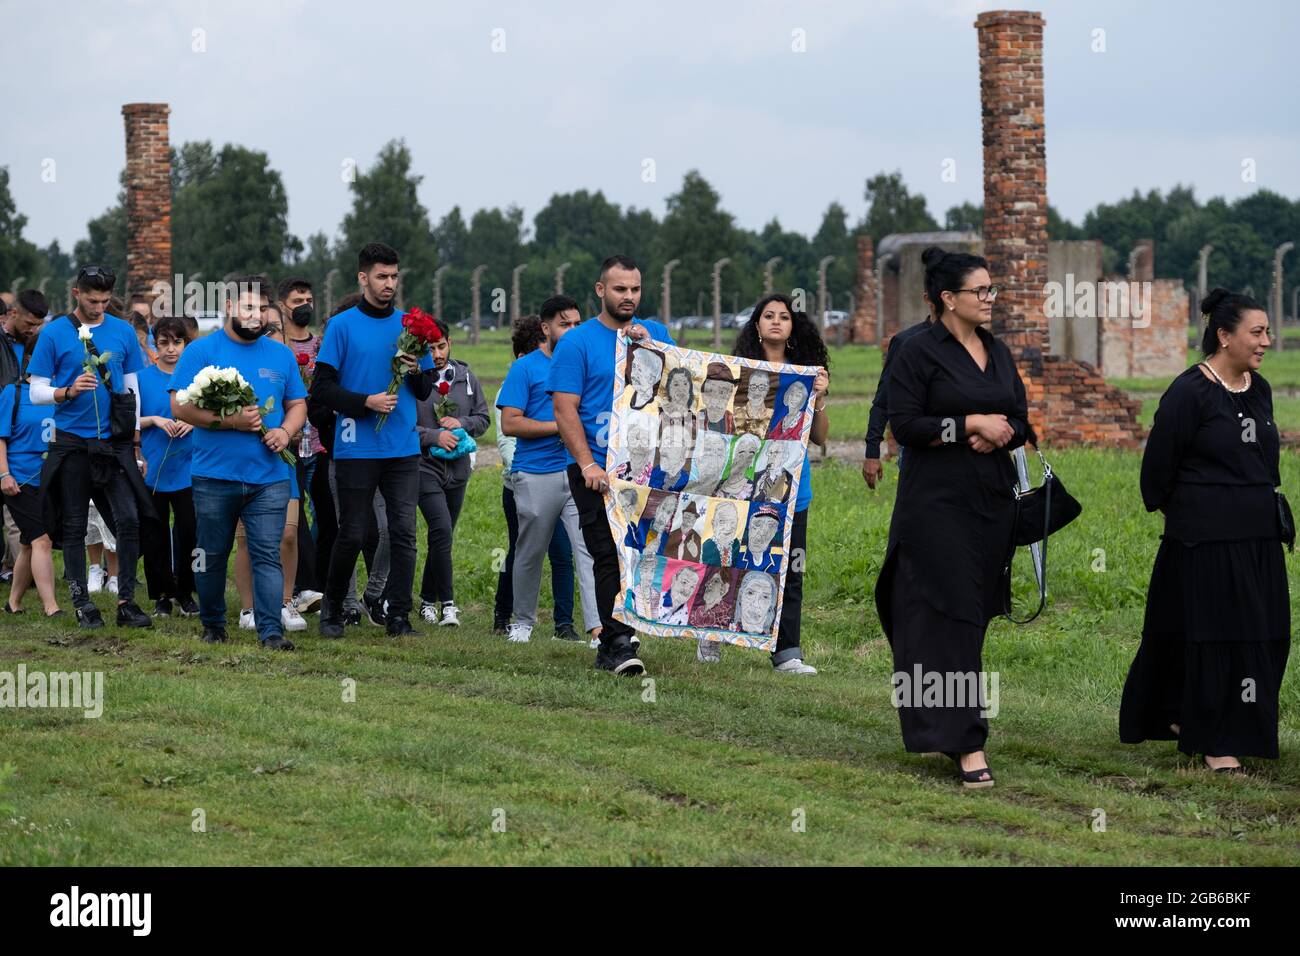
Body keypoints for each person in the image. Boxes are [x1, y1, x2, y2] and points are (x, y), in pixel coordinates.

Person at [873, 247, 1031, 789]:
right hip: (935, 505)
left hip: (991, 501)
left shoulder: (997, 349)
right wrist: (968, 425)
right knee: (948, 615)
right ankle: (967, 741)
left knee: (973, 616)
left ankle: (941, 723)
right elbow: (905, 426)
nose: (990, 299)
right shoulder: (916, 351)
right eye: (980, 291)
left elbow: (1020, 415)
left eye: (991, 290)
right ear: (948, 298)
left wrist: (1001, 429)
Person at [1121, 289, 1290, 773]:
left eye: (1267, 331)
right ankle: (1216, 741)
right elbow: (1156, 475)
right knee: (1219, 639)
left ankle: (1199, 720)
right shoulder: (1188, 392)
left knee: (1267, 634)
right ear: (1224, 335)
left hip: (1258, 538)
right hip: (1206, 542)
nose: (1266, 341)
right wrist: (1197, 516)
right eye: (1256, 332)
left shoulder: (1258, 388)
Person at [548, 254, 675, 675]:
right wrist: (586, 464)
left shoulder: (655, 333)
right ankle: (616, 643)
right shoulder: (576, 342)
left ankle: (621, 631)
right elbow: (565, 408)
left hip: (645, 471)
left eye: (635, 289)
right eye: (620, 289)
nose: (629, 297)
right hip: (596, 471)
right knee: (606, 553)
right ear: (601, 291)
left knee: (639, 554)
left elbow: (680, 390)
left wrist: (650, 349)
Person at [169, 275, 307, 648]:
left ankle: (270, 632)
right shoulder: (201, 352)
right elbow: (179, 406)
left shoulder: (280, 354)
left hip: (270, 477)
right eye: (248, 307)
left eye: (262, 308)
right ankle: (213, 624)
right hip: (214, 477)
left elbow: (297, 403)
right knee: (210, 557)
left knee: (267, 553)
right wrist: (230, 421)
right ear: (229, 306)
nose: (256, 315)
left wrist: (287, 430)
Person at [313, 243, 434, 638]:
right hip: (356, 448)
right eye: (381, 276)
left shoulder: (411, 327)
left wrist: (415, 370)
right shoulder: (342, 326)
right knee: (351, 532)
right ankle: (331, 612)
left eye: (394, 277)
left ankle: (398, 615)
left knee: (403, 533)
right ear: (363, 278)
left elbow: (424, 388)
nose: (389, 284)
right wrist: (364, 402)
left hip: (402, 449)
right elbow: (323, 389)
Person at [27, 265, 154, 629]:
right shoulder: (54, 333)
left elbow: (132, 391)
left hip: (112, 444)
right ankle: (82, 602)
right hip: (71, 442)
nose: (98, 307)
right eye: (91, 299)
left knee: (129, 518)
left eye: (104, 300)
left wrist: (135, 441)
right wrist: (66, 391)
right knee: (74, 524)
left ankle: (126, 600)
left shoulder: (124, 332)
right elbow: (36, 390)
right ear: (76, 294)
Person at [497, 297, 600, 643]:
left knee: (588, 550)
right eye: (564, 324)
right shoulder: (525, 368)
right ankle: (522, 622)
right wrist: (559, 426)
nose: (572, 331)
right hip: (535, 473)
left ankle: (598, 628)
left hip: (577, 471)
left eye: (576, 324)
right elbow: (510, 423)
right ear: (546, 328)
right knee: (530, 551)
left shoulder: (584, 363)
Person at [231, 304, 308, 633]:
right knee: (247, 540)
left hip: (282, 463)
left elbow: (299, 407)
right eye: (267, 327)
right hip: (243, 464)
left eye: (277, 327)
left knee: (288, 536)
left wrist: (288, 431)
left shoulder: (286, 363)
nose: (271, 332)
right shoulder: (238, 361)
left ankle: (285, 601)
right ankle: (248, 608)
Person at [415, 313, 488, 625]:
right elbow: (402, 426)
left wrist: (463, 423)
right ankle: (448, 604)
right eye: (430, 348)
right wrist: (433, 436)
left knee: (442, 536)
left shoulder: (466, 378)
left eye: (441, 346)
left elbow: (484, 419)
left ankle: (425, 600)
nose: (437, 354)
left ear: (450, 344)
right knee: (441, 529)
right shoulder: (412, 379)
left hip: (458, 469)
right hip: (423, 467)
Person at [0, 293, 61, 617]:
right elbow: (1, 437)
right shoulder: (14, 392)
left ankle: (13, 602)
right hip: (19, 478)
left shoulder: (55, 395)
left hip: (47, 476)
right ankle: (51, 607)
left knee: (27, 542)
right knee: (42, 540)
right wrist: (3, 474)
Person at [137, 315, 199, 617]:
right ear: (154, 345)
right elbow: (124, 420)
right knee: (155, 533)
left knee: (189, 530)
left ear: (186, 344)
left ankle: (186, 591)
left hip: (189, 468)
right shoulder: (140, 378)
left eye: (177, 342)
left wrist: (192, 422)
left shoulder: (197, 378)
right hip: (153, 468)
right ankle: (161, 593)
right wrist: (154, 420)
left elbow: (214, 417)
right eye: (164, 343)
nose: (171, 349)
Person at [277, 276, 324, 614]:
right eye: (297, 301)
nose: (304, 306)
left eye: (308, 299)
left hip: (318, 444)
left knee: (324, 514)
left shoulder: (321, 345)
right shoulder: (276, 347)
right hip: (288, 443)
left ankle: (320, 582)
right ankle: (300, 586)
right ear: (282, 306)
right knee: (294, 522)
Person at [863, 297, 935, 489]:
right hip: (917, 449)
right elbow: (883, 399)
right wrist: (872, 451)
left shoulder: (974, 343)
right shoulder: (907, 342)